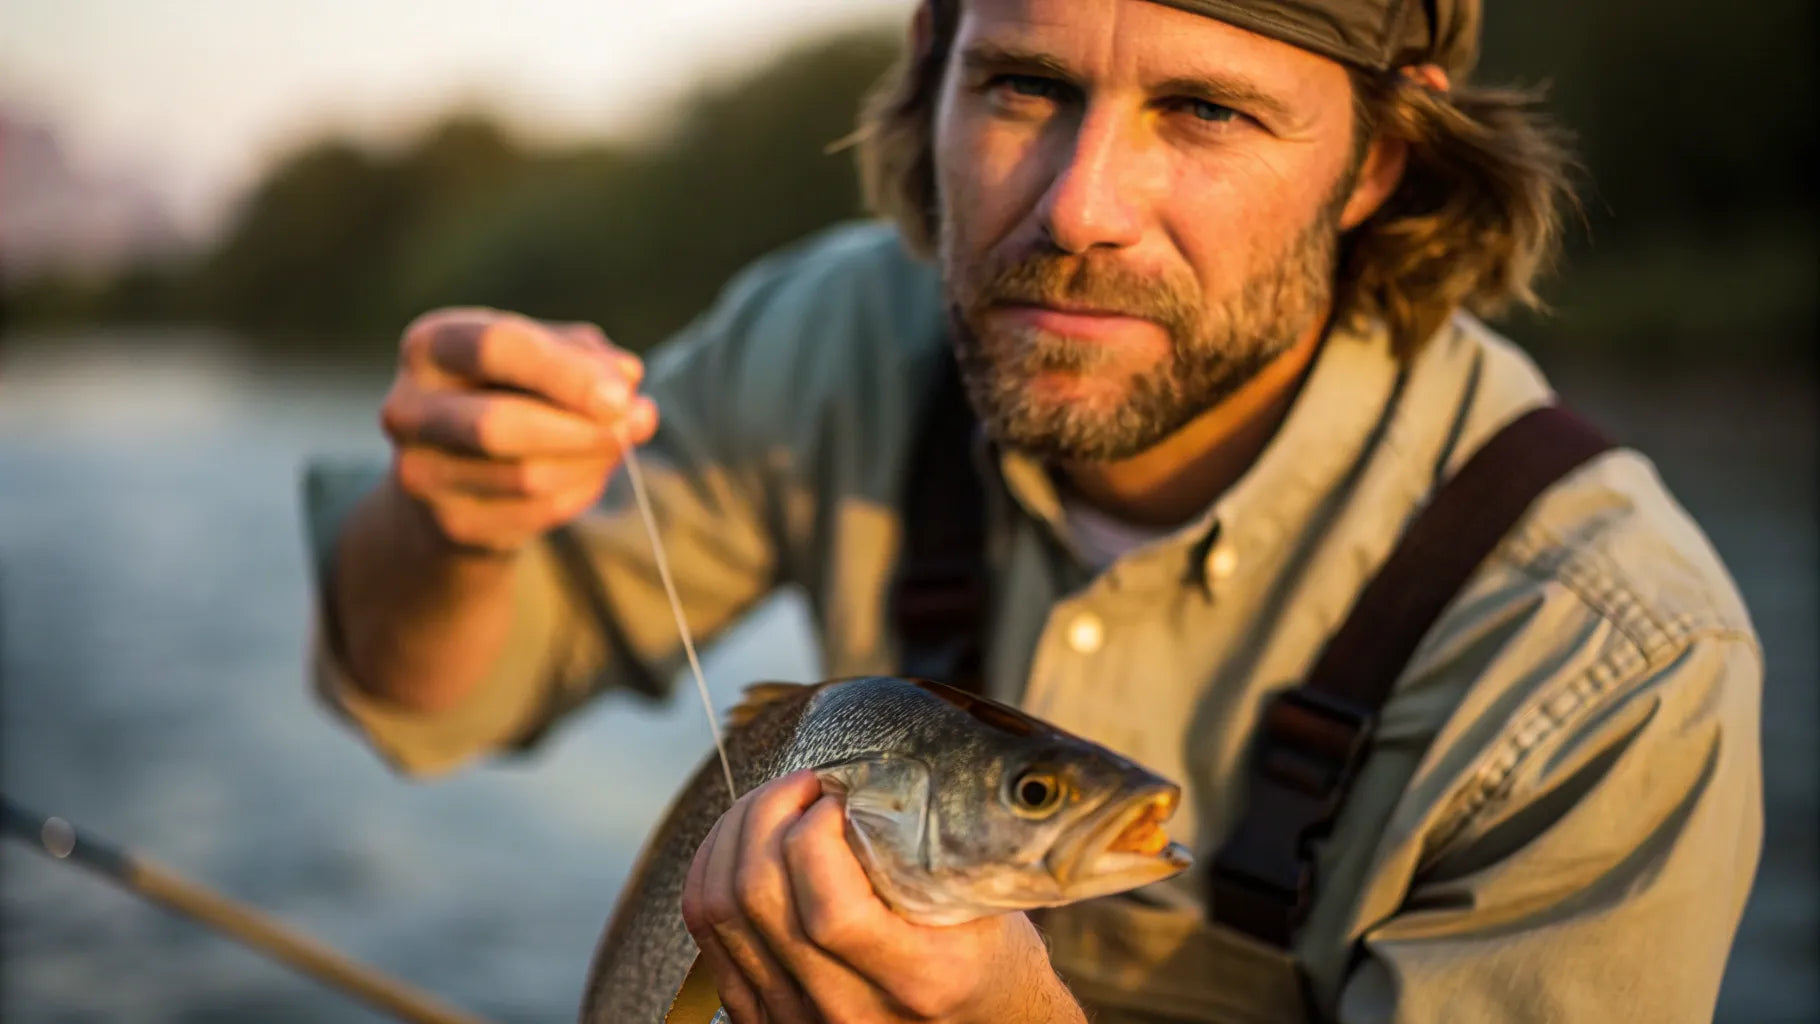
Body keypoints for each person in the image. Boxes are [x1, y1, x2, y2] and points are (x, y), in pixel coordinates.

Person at [304, 0, 1763, 1021]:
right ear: (934, 69)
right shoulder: (830, 338)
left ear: (1378, 159)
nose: (1079, 209)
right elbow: (418, 691)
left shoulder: (1615, 657)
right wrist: (445, 520)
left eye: (1202, 111)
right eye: (1025, 88)